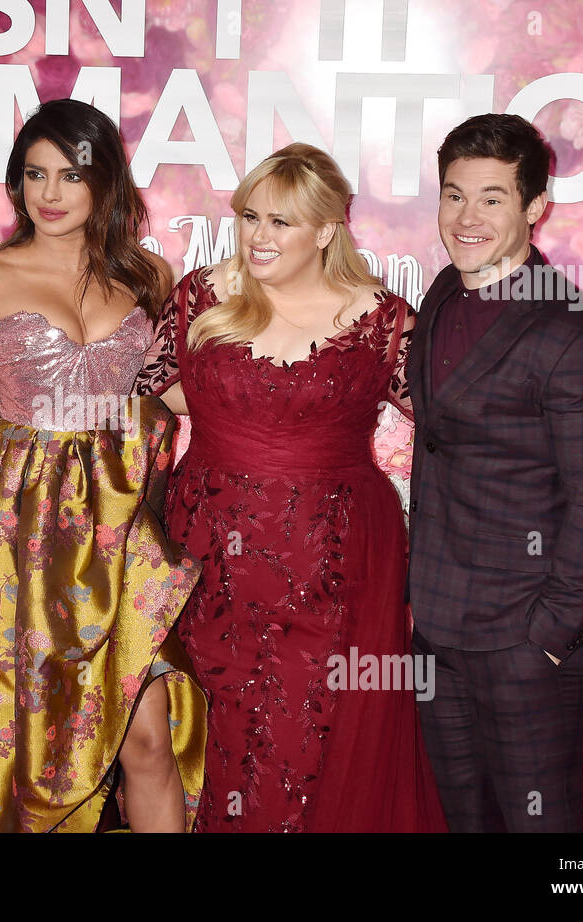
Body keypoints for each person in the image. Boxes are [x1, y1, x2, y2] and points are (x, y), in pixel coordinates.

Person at [135, 143, 447, 832]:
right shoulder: (203, 295)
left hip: (333, 561)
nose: (259, 236)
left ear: (328, 227)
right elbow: (151, 399)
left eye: (282, 221)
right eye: (250, 216)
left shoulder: (383, 319)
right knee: (215, 731)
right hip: (209, 555)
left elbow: (451, 424)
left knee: (308, 735)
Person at [0, 98, 205, 833]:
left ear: (102, 182)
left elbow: (175, 394)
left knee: (144, 732)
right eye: (34, 175)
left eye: (70, 175)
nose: (48, 194)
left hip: (118, 525)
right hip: (12, 528)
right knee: (18, 739)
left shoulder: (146, 278)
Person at [406, 113, 583, 832]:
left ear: (536, 208)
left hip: (525, 641)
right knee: (463, 819)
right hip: (439, 627)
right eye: (454, 195)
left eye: (492, 198)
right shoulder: (443, 290)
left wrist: (550, 633)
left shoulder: (575, 340)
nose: (466, 218)